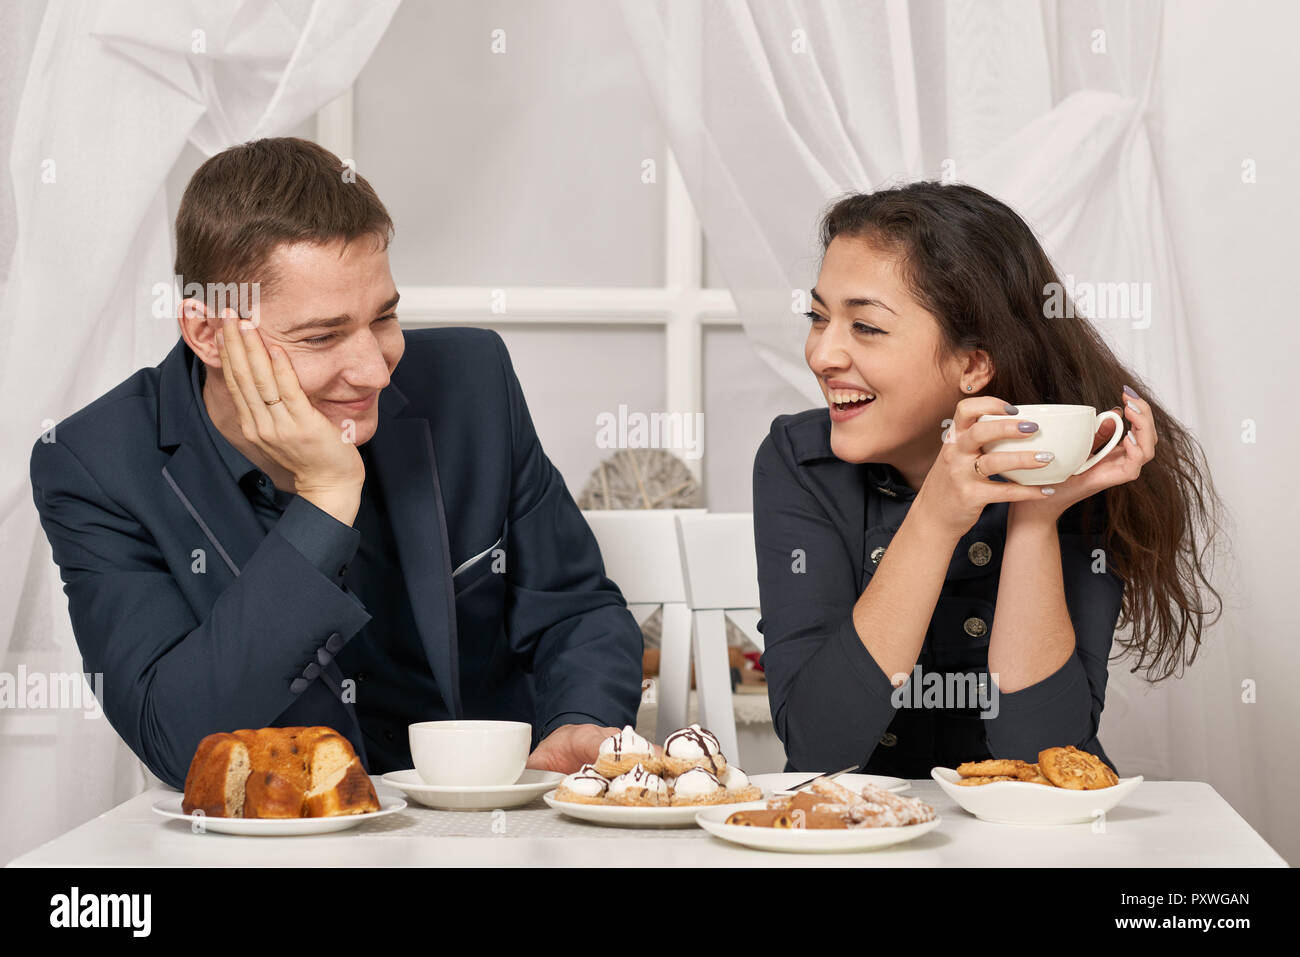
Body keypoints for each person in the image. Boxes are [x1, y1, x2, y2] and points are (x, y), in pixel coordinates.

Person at [29, 137, 643, 790]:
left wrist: (579, 717)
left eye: (384, 317)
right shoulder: (96, 466)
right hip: (286, 846)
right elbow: (178, 739)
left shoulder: (475, 383)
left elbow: (574, 610)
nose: (375, 369)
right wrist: (325, 499)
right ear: (208, 333)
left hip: (487, 831)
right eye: (321, 336)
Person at [753, 182, 1225, 778]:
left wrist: (1039, 514)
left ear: (974, 364)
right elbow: (819, 749)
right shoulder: (799, 461)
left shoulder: (1081, 459)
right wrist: (935, 518)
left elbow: (1046, 760)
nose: (822, 355)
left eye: (865, 327)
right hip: (861, 834)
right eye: (819, 318)